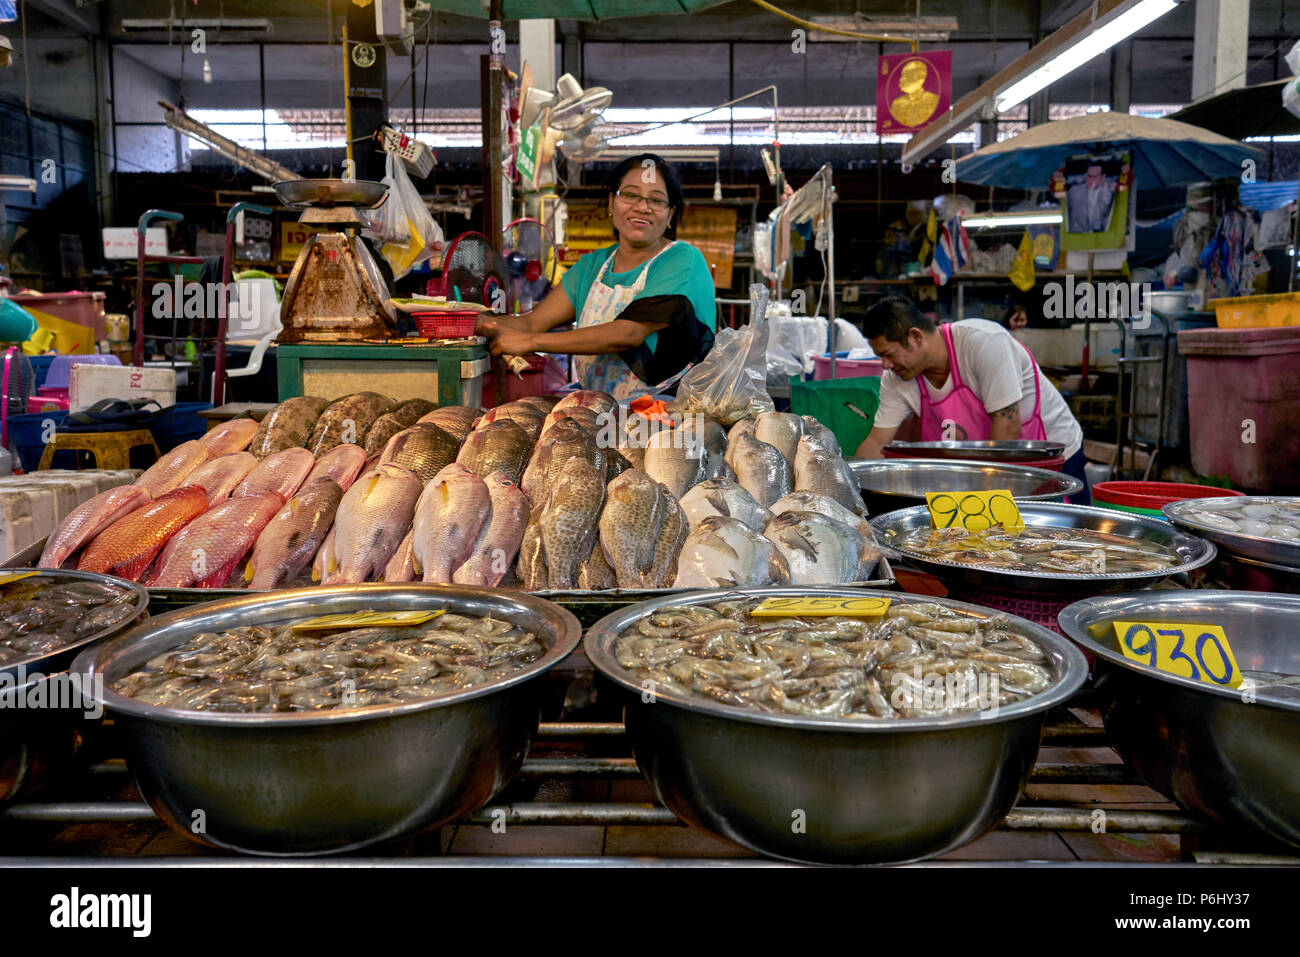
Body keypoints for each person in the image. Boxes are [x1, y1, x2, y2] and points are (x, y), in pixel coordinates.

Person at [476, 153, 716, 400]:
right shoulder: (593, 265)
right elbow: (531, 323)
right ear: (612, 202)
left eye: (656, 200)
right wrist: (475, 322)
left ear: (670, 215)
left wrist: (530, 342)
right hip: (599, 409)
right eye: (631, 195)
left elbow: (627, 334)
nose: (642, 207)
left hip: (667, 413)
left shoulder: (683, 260)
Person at [853, 296, 1090, 502]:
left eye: (889, 354)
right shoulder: (896, 378)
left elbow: (1007, 427)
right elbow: (876, 442)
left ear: (915, 337)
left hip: (1052, 459)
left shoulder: (984, 342)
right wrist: (847, 487)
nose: (885, 364)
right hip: (981, 471)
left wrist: (981, 501)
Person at [1066, 163, 1116, 233]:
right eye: (1089, 176)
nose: (1091, 179)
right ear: (1085, 175)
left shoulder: (1109, 192)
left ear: (1102, 177)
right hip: (1078, 235)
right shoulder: (1074, 191)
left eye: (1094, 176)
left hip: (1103, 235)